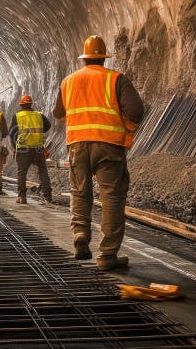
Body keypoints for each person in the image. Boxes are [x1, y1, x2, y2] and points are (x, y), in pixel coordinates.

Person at [54, 35, 144, 270]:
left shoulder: (68, 82)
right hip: (109, 145)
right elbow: (135, 110)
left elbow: (58, 113)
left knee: (79, 191)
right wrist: (127, 132)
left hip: (77, 145)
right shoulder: (116, 79)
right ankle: (107, 255)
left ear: (84, 58)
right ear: (104, 58)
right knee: (111, 196)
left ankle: (81, 233)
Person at [9, 94, 52, 204]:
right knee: (43, 171)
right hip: (38, 148)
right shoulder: (39, 115)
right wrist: (38, 133)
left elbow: (12, 133)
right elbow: (48, 125)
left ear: (21, 105)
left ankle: (22, 197)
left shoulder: (18, 116)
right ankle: (48, 197)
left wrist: (15, 147)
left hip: (24, 149)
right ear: (31, 104)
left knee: (22, 172)